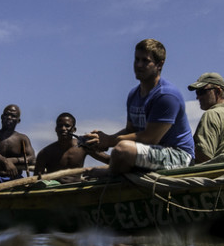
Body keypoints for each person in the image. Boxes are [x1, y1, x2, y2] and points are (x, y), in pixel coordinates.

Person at [82, 38, 195, 174]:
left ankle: (110, 175)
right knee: (120, 150)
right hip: (152, 152)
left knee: (123, 150)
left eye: (145, 61)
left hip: (179, 156)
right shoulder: (134, 94)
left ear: (159, 64)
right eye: (136, 59)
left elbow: (150, 138)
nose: (139, 65)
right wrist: (101, 139)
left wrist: (109, 141)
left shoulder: (166, 96)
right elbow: (130, 130)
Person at [187, 72, 224, 162]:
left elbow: (204, 155)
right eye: (197, 92)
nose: (198, 97)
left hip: (211, 170)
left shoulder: (211, 115)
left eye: (202, 92)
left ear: (218, 91)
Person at [0, 104, 35, 185]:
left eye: (13, 116)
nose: (9, 117)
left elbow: (31, 157)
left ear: (18, 120)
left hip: (15, 178)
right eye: (7, 114)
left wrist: (13, 160)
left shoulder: (22, 138)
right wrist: (6, 162)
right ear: (2, 117)